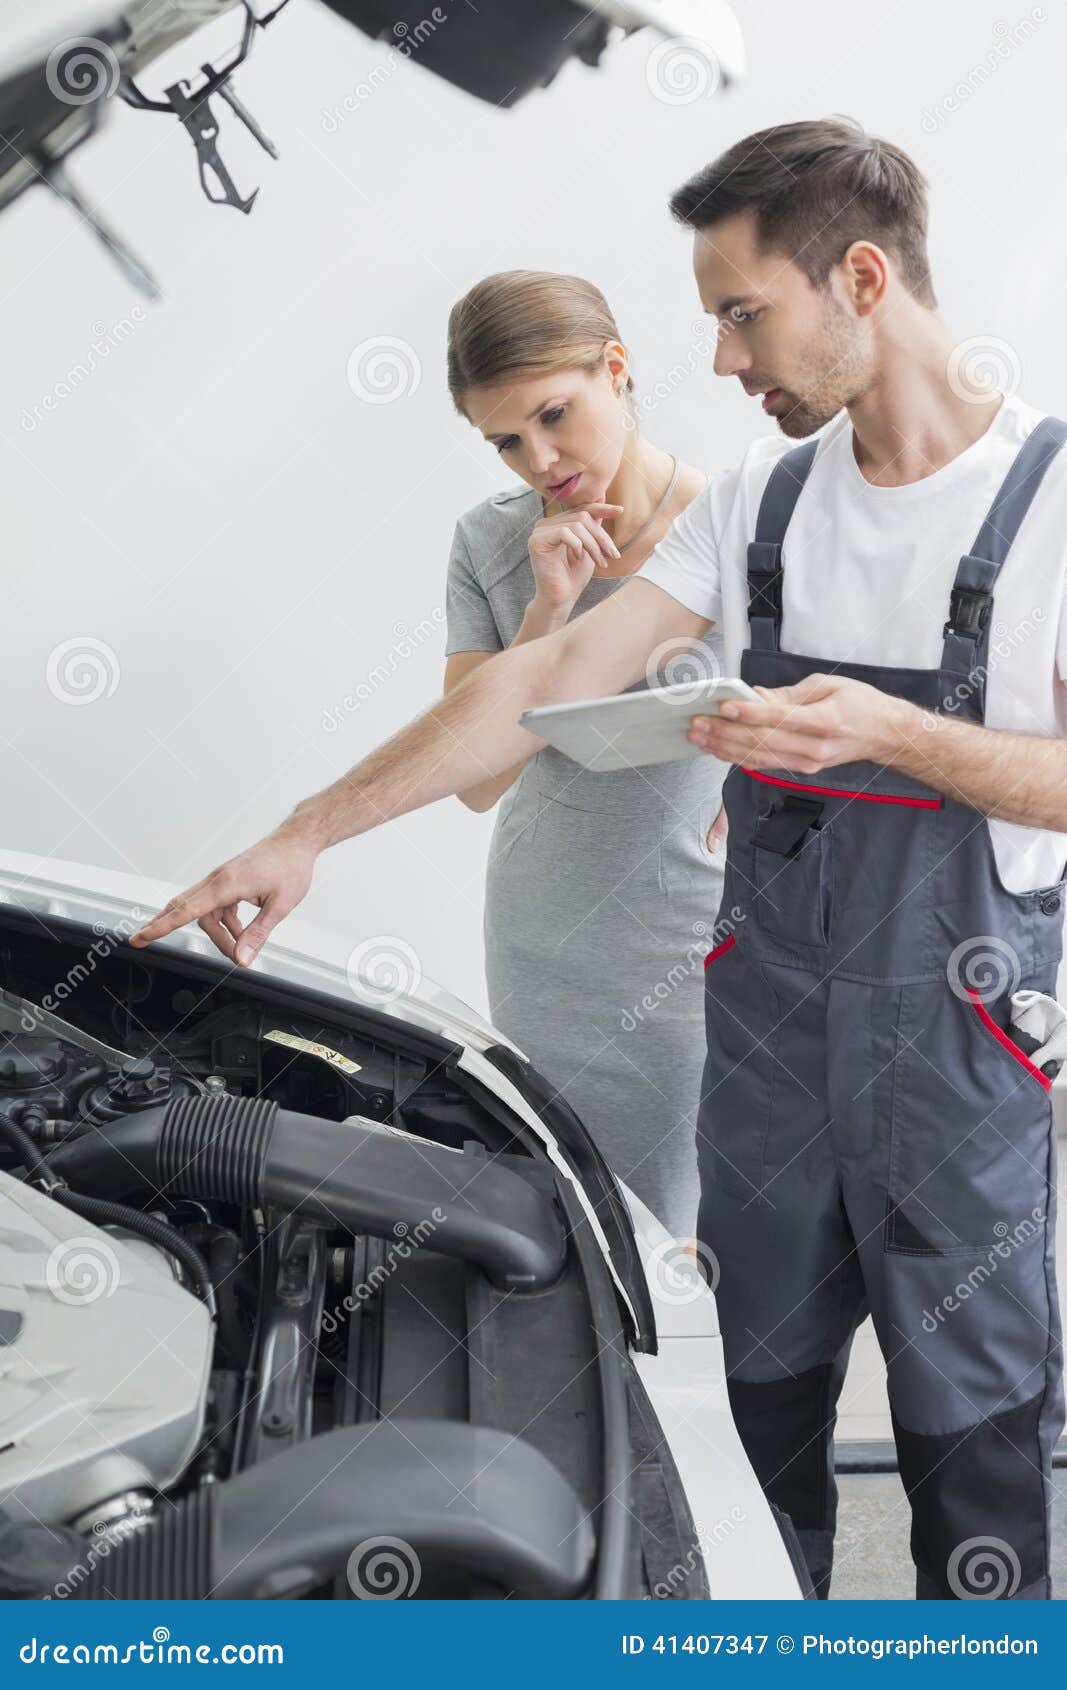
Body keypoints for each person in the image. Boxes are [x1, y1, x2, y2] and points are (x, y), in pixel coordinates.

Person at [131, 117, 1067, 1601]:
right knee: (729, 1437)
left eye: (738, 311)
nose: (715, 360)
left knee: (975, 1437)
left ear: (863, 279)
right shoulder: (761, 504)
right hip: (762, 1050)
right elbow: (529, 692)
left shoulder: (1046, 507)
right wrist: (300, 833)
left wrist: (898, 730)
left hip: (950, 1061)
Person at [442, 268, 726, 1242]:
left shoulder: (734, 524)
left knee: (671, 1234)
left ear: (616, 369)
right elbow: (475, 778)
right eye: (506, 440)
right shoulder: (490, 541)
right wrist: (547, 608)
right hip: (541, 938)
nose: (539, 458)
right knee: (560, 1229)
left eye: (553, 415)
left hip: (691, 939)